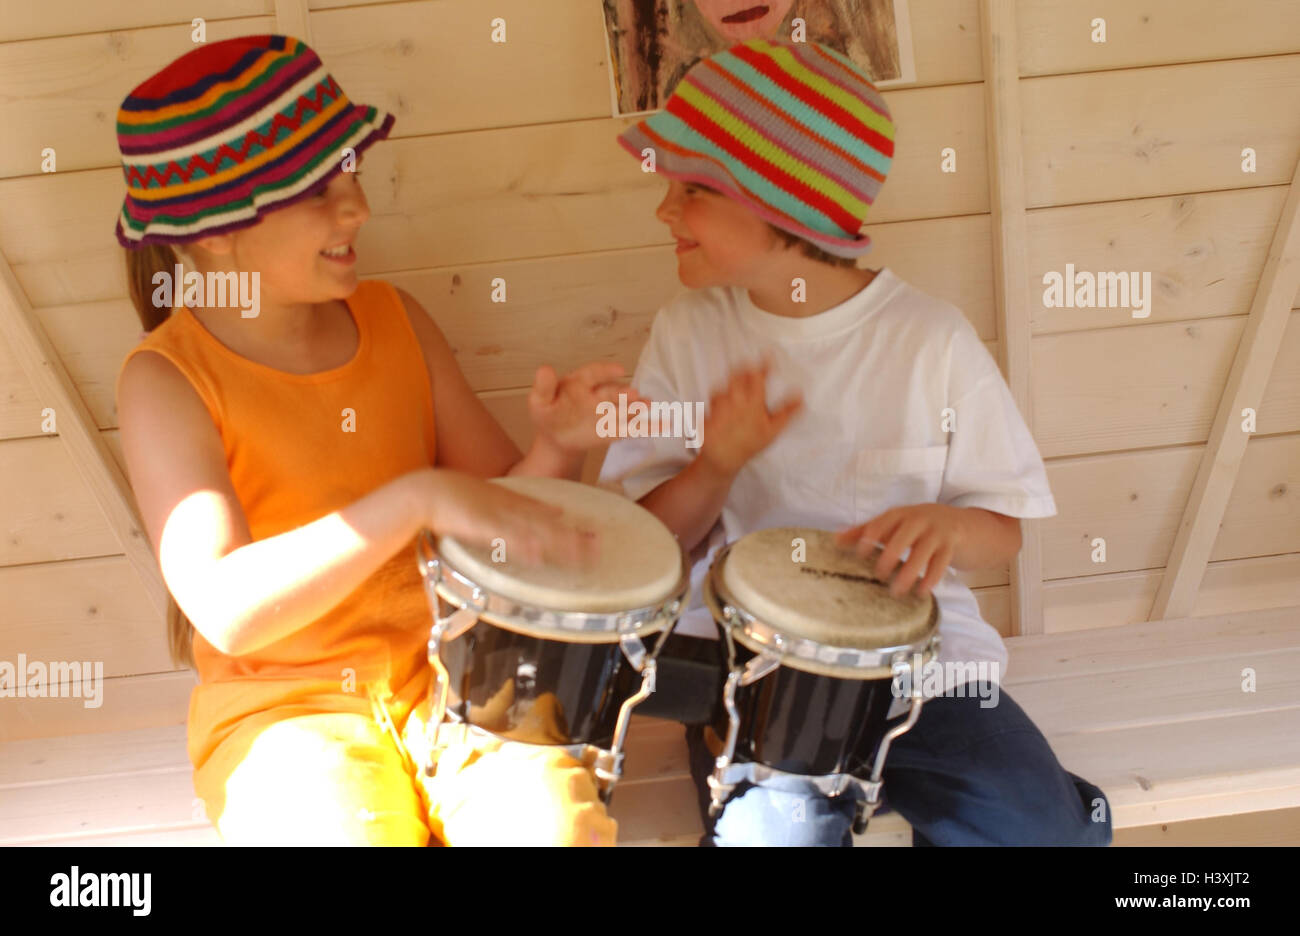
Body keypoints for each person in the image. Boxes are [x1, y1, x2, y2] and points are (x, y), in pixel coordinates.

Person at [113, 34, 642, 846]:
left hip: (453, 678)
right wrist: (410, 500)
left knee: (557, 830)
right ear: (214, 230)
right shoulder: (165, 380)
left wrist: (558, 449)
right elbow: (227, 612)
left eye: (351, 173)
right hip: (285, 714)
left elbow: (499, 519)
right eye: (316, 191)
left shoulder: (397, 319)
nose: (356, 206)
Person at [598, 37, 1113, 846]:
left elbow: (1002, 529)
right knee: (776, 836)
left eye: (693, 188)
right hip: (758, 671)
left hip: (925, 663)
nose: (664, 208)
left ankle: (1065, 807)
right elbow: (652, 539)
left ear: (784, 206)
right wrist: (718, 462)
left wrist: (947, 528)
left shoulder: (929, 339)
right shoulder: (688, 332)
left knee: (1035, 828)